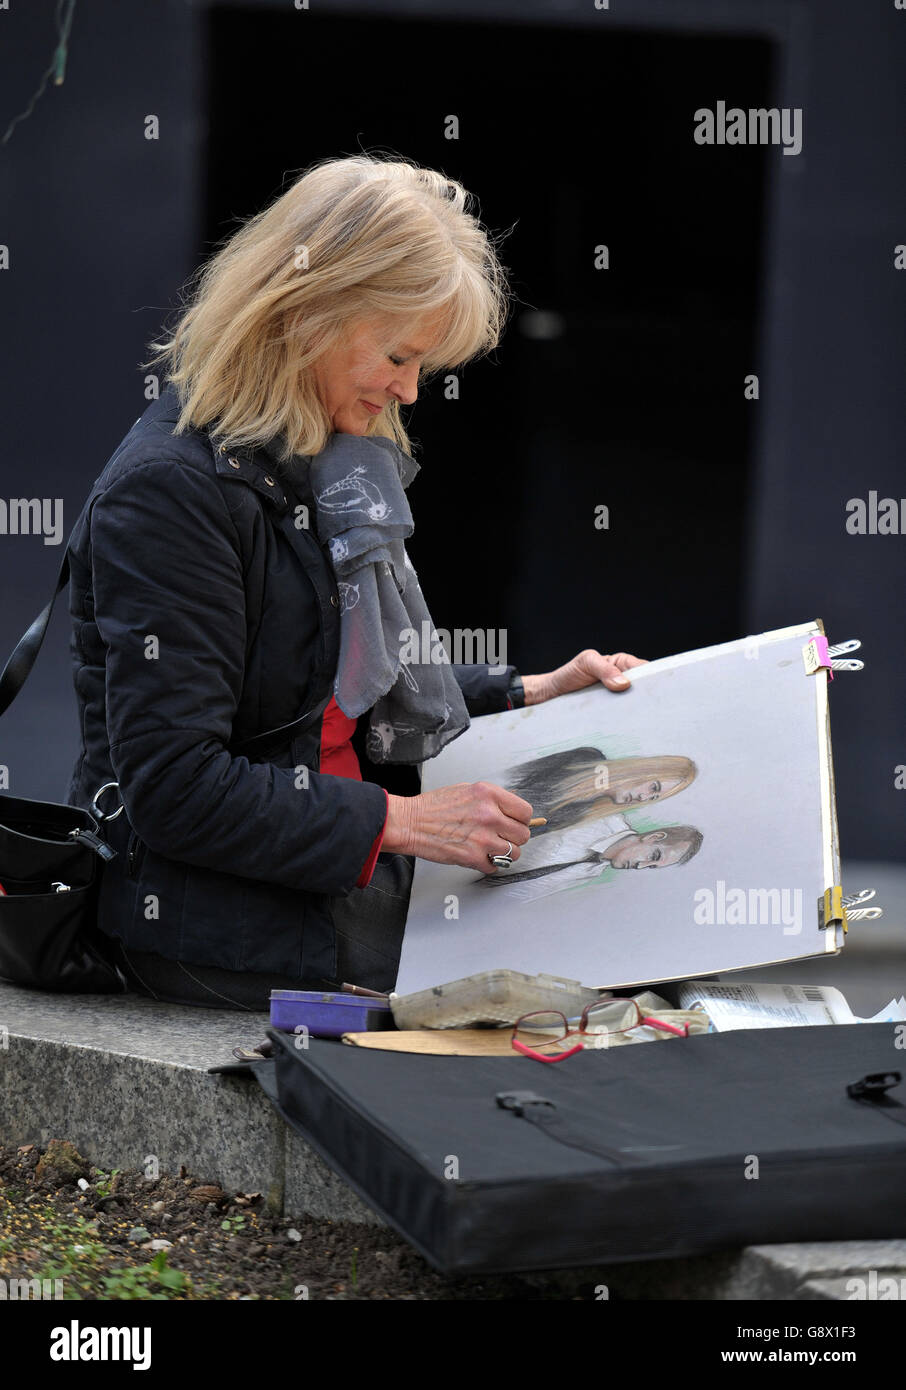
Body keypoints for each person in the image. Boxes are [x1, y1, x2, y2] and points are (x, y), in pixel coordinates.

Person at [64, 153, 647, 1010]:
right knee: (584, 993)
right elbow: (175, 790)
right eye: (400, 356)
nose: (410, 390)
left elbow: (354, 694)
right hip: (225, 932)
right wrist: (406, 823)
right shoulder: (171, 491)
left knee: (634, 944)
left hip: (328, 892)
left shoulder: (326, 459)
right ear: (308, 312)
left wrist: (529, 693)